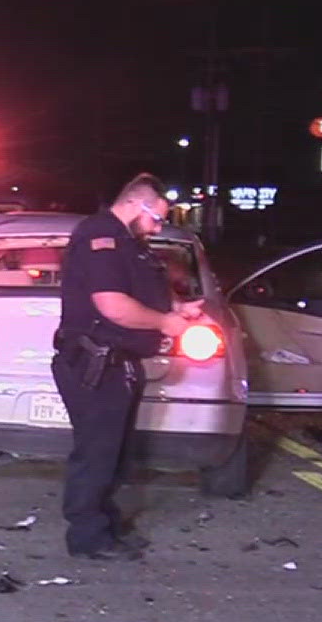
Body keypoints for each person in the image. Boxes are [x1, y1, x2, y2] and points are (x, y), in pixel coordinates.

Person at [51, 174, 209, 560]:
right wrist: (165, 323)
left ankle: (105, 524)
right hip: (95, 364)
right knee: (97, 453)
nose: (156, 227)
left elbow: (137, 293)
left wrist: (177, 309)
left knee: (116, 453)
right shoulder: (101, 237)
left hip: (117, 363)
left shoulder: (127, 242)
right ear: (136, 204)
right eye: (156, 218)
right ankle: (87, 537)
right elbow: (113, 306)